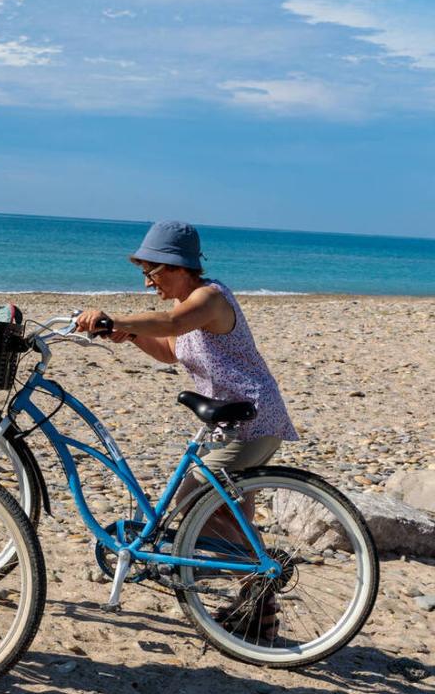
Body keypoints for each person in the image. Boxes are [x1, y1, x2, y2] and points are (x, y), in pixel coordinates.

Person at [75, 220, 298, 637]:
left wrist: (111, 317)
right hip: (233, 422)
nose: (147, 283)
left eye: (152, 273)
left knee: (193, 500)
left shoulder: (208, 299)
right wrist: (129, 335)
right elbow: (168, 349)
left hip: (252, 419)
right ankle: (258, 612)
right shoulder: (188, 306)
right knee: (232, 514)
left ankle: (260, 580)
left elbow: (172, 323)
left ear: (177, 266)